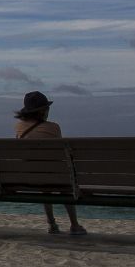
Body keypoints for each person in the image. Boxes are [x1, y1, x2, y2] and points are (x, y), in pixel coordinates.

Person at [14, 91, 87, 236]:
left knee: (45, 184)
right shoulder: (53, 128)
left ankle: (52, 223)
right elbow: (60, 154)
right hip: (52, 177)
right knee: (64, 185)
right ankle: (74, 224)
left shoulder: (19, 127)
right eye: (47, 108)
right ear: (42, 111)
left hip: (29, 178)